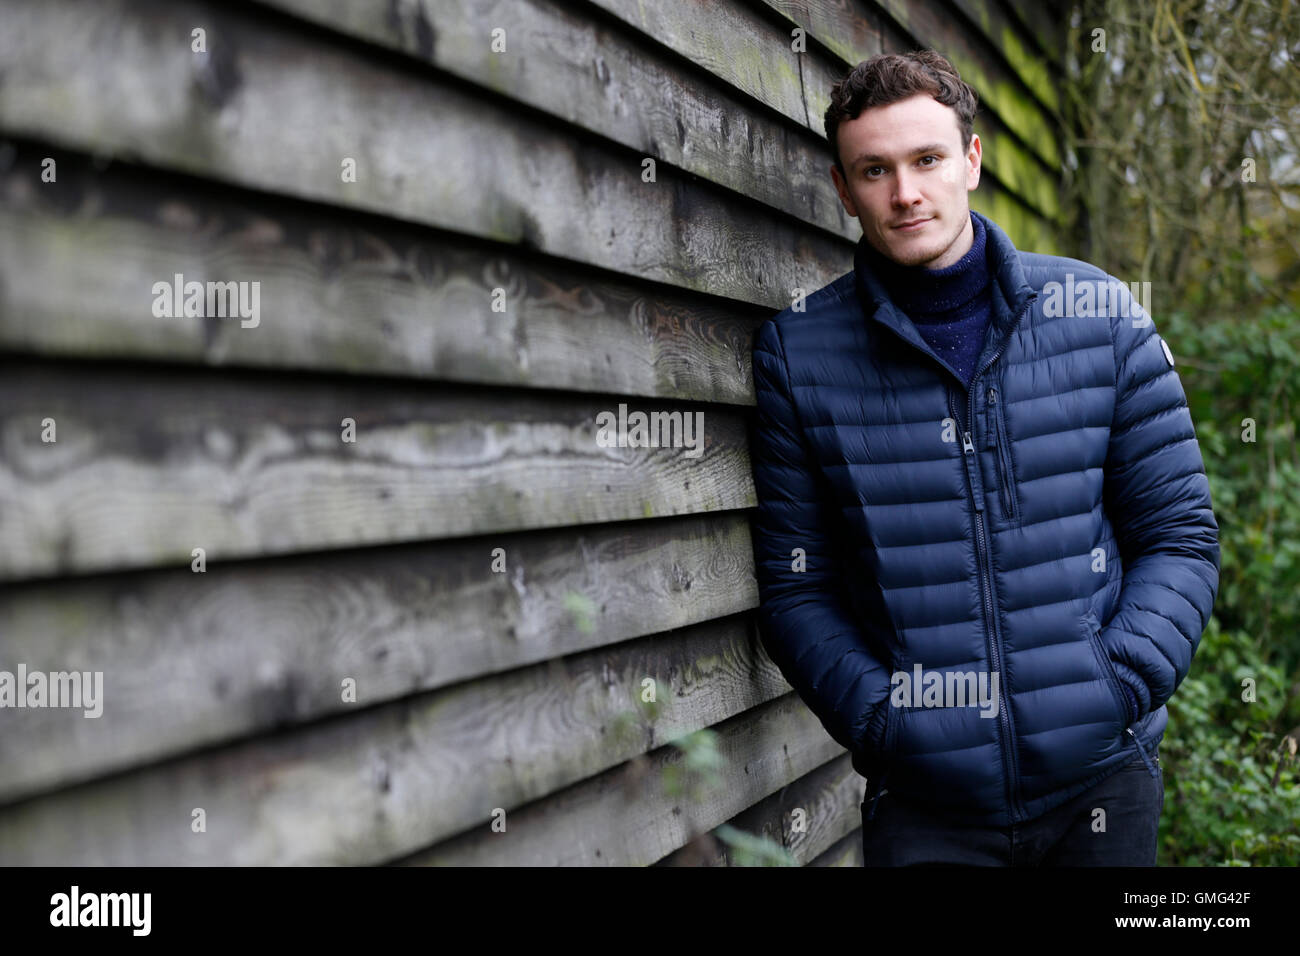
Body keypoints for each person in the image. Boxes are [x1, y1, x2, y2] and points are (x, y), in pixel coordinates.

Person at [748, 50, 1219, 866]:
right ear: (843, 188)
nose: (905, 193)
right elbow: (798, 589)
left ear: (970, 160)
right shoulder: (800, 356)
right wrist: (884, 723)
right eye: (875, 170)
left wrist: (1118, 682)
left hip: (1101, 784)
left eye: (927, 159)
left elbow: (1179, 535)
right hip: (926, 806)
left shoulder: (1098, 316)